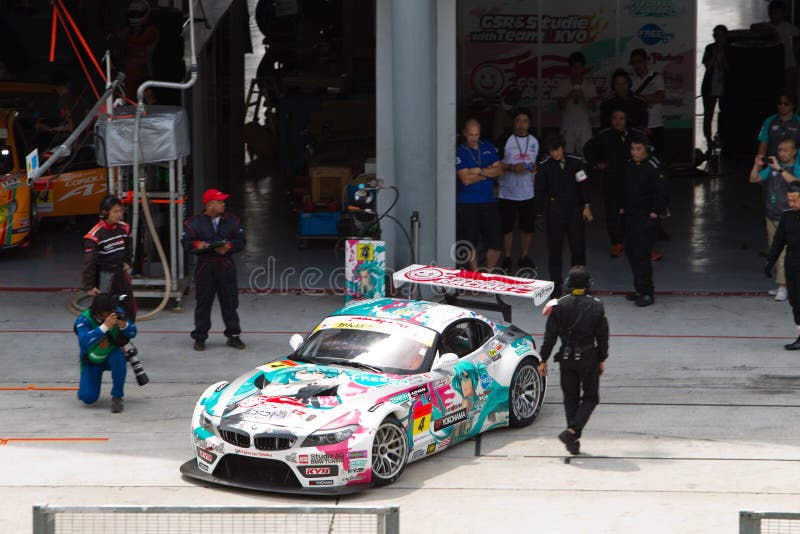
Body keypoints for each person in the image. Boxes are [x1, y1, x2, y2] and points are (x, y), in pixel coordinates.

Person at [538, 266, 609, 455]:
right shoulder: (597, 305)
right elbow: (602, 337)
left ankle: (572, 441)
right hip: (588, 358)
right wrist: (601, 359)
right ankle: (572, 432)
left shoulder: (558, 305)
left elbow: (550, 336)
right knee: (591, 398)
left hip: (566, 359)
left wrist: (543, 359)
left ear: (569, 284)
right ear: (588, 285)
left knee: (570, 399)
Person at [181, 188, 246, 351]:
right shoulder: (193, 223)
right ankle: (200, 338)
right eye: (220, 201)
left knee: (230, 302)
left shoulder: (232, 220)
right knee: (203, 303)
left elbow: (241, 241)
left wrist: (229, 247)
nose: (223, 204)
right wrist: (199, 245)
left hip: (225, 265)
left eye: (223, 201)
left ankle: (233, 335)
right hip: (205, 267)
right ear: (209, 205)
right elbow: (186, 241)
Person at [535, 133, 592, 295]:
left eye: (557, 150)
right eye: (551, 151)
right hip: (555, 212)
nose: (554, 154)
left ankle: (579, 285)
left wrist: (586, 205)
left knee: (578, 249)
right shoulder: (545, 165)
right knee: (554, 250)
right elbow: (540, 191)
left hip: (575, 210)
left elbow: (584, 185)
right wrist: (539, 213)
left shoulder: (576, 161)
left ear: (562, 148)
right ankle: (556, 286)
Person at [584, 109, 643, 258]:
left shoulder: (635, 134)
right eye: (615, 118)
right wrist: (596, 164)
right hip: (612, 179)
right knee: (612, 212)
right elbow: (588, 148)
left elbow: (648, 151)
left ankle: (638, 244)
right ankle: (617, 243)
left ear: (626, 120)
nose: (618, 121)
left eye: (621, 118)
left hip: (633, 180)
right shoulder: (604, 135)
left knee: (634, 211)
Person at [750, 138, 800, 301]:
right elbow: (753, 179)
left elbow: (796, 182)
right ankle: (784, 285)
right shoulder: (772, 168)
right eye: (779, 150)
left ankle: (784, 287)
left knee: (786, 253)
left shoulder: (796, 168)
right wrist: (757, 165)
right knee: (775, 251)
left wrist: (779, 169)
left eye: (785, 150)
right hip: (771, 214)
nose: (781, 153)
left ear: (794, 152)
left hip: (789, 217)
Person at [622, 134, 669, 307]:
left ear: (647, 149)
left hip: (646, 217)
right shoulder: (630, 165)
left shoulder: (654, 166)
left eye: (638, 149)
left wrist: (655, 213)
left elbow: (662, 192)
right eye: (632, 148)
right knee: (631, 252)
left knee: (642, 255)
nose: (634, 152)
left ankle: (647, 292)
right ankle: (639, 288)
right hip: (631, 215)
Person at [74, 293, 137, 413]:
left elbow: (133, 333)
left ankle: (117, 396)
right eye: (104, 314)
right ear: (97, 312)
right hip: (91, 359)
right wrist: (105, 326)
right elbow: (84, 342)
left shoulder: (117, 313)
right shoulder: (84, 319)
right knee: (88, 398)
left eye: (109, 313)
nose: (108, 316)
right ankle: (85, 388)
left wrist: (125, 326)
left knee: (119, 357)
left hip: (111, 355)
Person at [455, 118, 504, 271]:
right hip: (467, 202)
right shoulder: (459, 151)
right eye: (471, 135)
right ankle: (475, 275)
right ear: (464, 133)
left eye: (476, 134)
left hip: (488, 201)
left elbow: (499, 170)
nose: (474, 138)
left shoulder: (487, 147)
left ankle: (488, 275)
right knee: (470, 241)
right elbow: (466, 180)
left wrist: (479, 171)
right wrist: (487, 174)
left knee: (496, 241)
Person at [498, 108, 539, 273]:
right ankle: (507, 257)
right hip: (507, 192)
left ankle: (524, 256)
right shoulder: (504, 140)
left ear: (529, 124)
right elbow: (494, 163)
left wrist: (535, 168)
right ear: (513, 122)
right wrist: (511, 167)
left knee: (527, 227)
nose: (521, 125)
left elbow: (541, 163)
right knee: (507, 228)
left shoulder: (536, 141)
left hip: (528, 192)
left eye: (525, 121)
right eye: (518, 121)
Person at [82, 196, 136, 322]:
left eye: (121, 211)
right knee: (103, 311)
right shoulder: (94, 236)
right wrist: (89, 285)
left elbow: (129, 245)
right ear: (105, 213)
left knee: (129, 309)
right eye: (116, 211)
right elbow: (89, 262)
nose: (119, 215)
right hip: (105, 276)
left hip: (120, 273)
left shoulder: (124, 228)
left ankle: (124, 337)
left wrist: (128, 261)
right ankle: (104, 338)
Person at [765, 182, 800, 349]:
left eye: (795, 200)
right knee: (794, 301)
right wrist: (770, 261)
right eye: (789, 200)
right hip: (792, 264)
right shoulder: (787, 216)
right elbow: (779, 242)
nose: (791, 204)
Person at [554, 51, 597, 157]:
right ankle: (568, 174)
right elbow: (559, 106)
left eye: (579, 67)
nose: (577, 70)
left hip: (584, 126)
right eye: (575, 67)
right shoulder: (564, 83)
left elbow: (594, 108)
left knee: (585, 156)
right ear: (571, 68)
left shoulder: (589, 84)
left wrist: (583, 96)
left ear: (583, 68)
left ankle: (582, 174)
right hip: (568, 126)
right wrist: (570, 95)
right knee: (567, 155)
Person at [752, 1, 798, 95]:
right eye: (776, 14)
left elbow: (797, 32)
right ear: (770, 14)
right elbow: (753, 27)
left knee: (791, 89)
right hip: (774, 64)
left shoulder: (787, 26)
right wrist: (770, 29)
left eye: (780, 14)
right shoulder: (767, 26)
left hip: (789, 63)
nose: (778, 17)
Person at [629, 49, 665, 158]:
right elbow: (631, 101)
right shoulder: (632, 81)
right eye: (634, 62)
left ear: (646, 61)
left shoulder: (656, 77)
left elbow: (660, 97)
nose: (637, 65)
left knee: (656, 156)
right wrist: (647, 100)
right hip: (638, 125)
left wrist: (641, 99)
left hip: (655, 123)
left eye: (639, 61)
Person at [701, 25, 729, 151]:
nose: (718, 39)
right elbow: (707, 66)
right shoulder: (710, 48)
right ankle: (708, 140)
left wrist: (723, 57)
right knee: (708, 115)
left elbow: (731, 69)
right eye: (715, 36)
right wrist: (715, 55)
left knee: (725, 114)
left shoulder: (729, 49)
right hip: (709, 87)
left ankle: (722, 138)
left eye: (720, 36)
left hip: (724, 87)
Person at [757, 90, 800, 160]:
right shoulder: (769, 120)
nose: (782, 106)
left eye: (786, 104)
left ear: (793, 105)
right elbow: (763, 144)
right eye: (780, 103)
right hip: (772, 164)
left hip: (795, 166)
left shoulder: (798, 121)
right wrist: (760, 163)